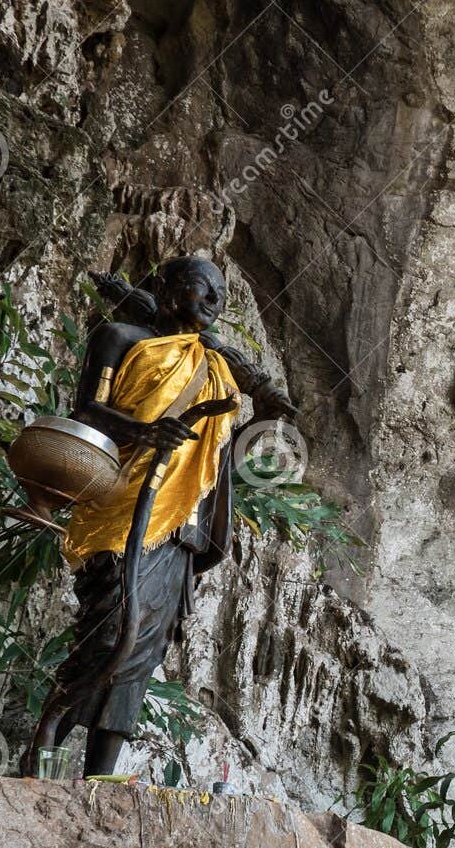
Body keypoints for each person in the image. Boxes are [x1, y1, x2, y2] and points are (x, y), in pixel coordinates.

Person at [39, 256, 300, 776]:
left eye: (219, 296)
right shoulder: (120, 336)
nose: (212, 302)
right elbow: (86, 411)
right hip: (121, 507)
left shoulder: (218, 364)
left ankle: (98, 778)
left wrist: (267, 400)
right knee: (109, 635)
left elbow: (241, 436)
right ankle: (42, 749)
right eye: (201, 289)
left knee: (142, 651)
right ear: (164, 286)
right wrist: (145, 431)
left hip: (183, 522)